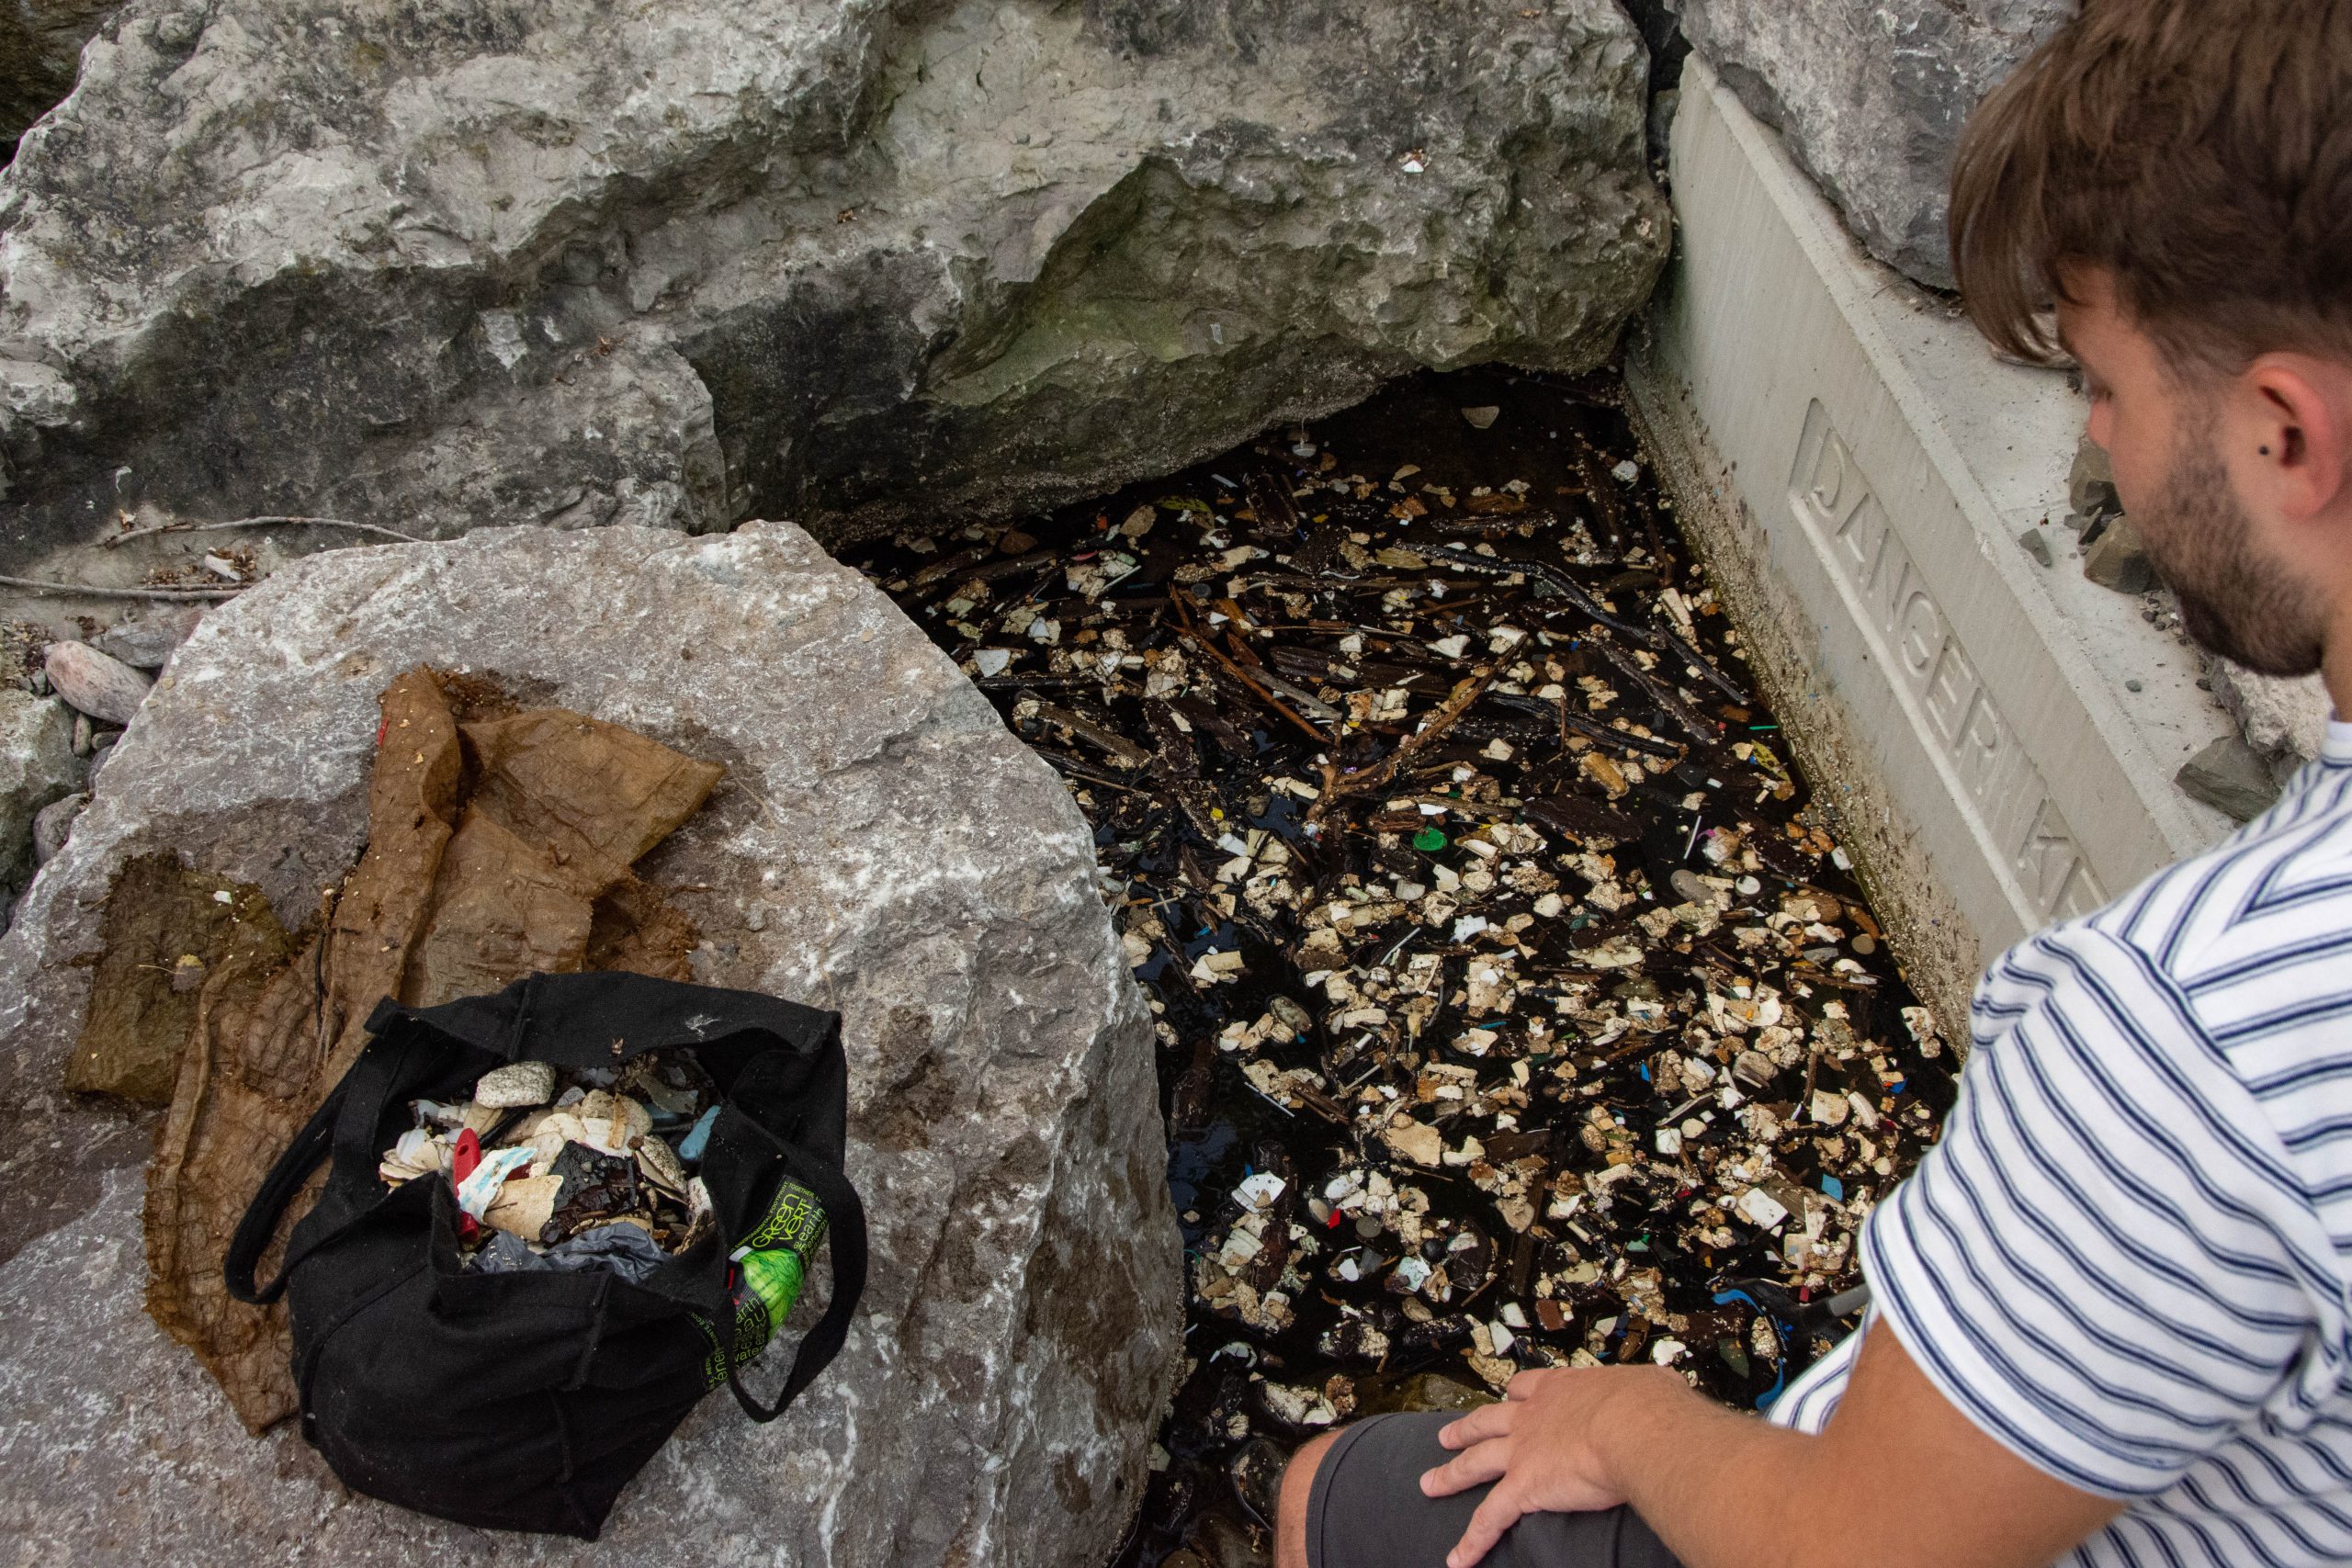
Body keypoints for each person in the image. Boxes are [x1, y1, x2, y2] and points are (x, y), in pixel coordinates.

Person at [1276, 2, 2352, 1564]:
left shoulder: (2190, 1041)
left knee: (1343, 1495)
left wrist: (1633, 1421)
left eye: (2107, 385)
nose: (2098, 446)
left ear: (2285, 432)